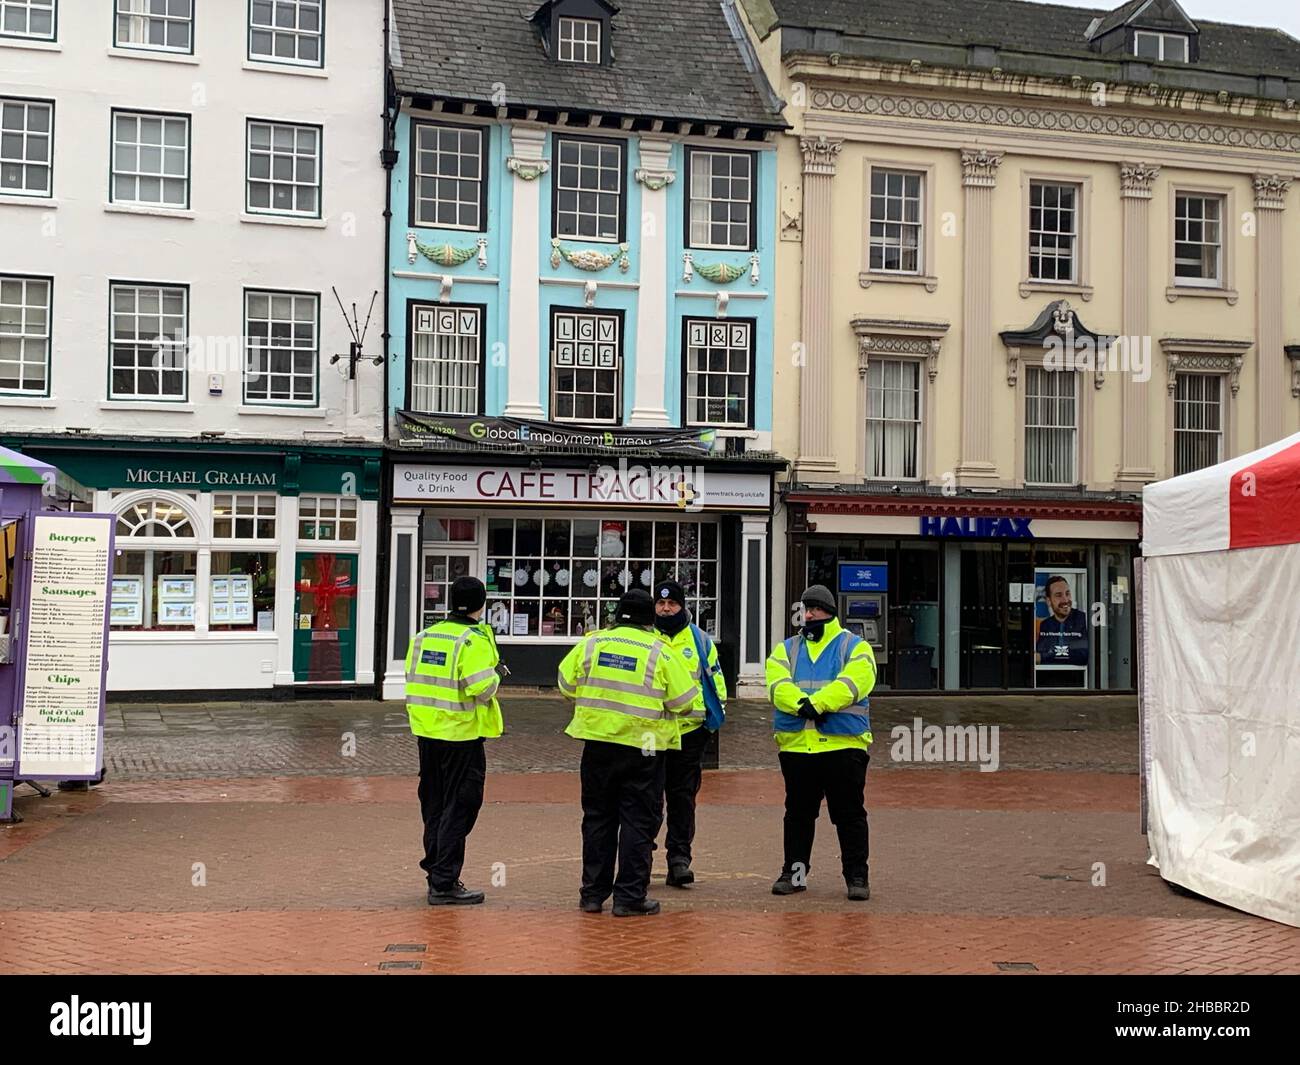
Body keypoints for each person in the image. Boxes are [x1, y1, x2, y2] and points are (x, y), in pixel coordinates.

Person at [558, 588, 698, 916]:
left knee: (597, 818)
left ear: (616, 615)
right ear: (650, 619)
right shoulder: (661, 651)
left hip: (598, 743)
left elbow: (565, 685)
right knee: (638, 820)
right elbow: (684, 703)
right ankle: (629, 898)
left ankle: (592, 895)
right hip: (645, 747)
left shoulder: (592, 644)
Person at [765, 584, 876, 902]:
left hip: (843, 747)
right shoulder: (786, 648)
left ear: (830, 612)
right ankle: (794, 875)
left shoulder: (854, 647)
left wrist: (819, 703)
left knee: (849, 815)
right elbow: (776, 684)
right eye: (805, 609)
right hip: (798, 747)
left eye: (814, 609)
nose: (808, 614)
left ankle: (857, 878)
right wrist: (803, 703)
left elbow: (855, 682)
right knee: (798, 816)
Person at [405, 575, 503, 906]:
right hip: (461, 735)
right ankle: (445, 882)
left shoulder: (423, 636)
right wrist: (497, 675)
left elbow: (412, 676)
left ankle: (436, 871)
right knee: (461, 805)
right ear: (482, 604)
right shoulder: (472, 641)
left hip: (427, 733)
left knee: (434, 804)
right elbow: (480, 687)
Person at [652, 579, 727, 888]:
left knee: (683, 800)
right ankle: (640, 857)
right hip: (651, 735)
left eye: (672, 604)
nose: (666, 609)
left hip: (689, 734)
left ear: (682, 606)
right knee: (647, 799)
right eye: (661, 604)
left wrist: (712, 721)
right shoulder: (645, 636)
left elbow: (715, 680)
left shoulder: (699, 640)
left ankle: (679, 861)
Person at [1035, 575, 1089, 666]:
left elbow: (1082, 655)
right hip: (1049, 676)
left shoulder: (1082, 619)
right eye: (1058, 595)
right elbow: (1041, 652)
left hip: (1077, 677)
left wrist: (1049, 655)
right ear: (1048, 601)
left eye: (1067, 593)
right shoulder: (1046, 624)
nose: (1065, 599)